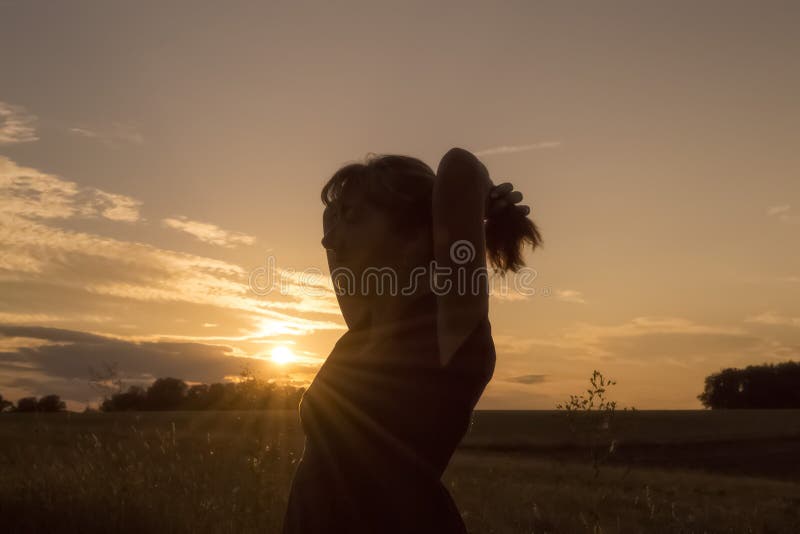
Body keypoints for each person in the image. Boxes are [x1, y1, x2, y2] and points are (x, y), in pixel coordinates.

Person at [282, 147, 542, 533]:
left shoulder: (450, 328)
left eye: (353, 218)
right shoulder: (365, 328)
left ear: (415, 236)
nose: (329, 241)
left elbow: (460, 166)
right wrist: (346, 206)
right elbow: (328, 225)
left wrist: (487, 198)